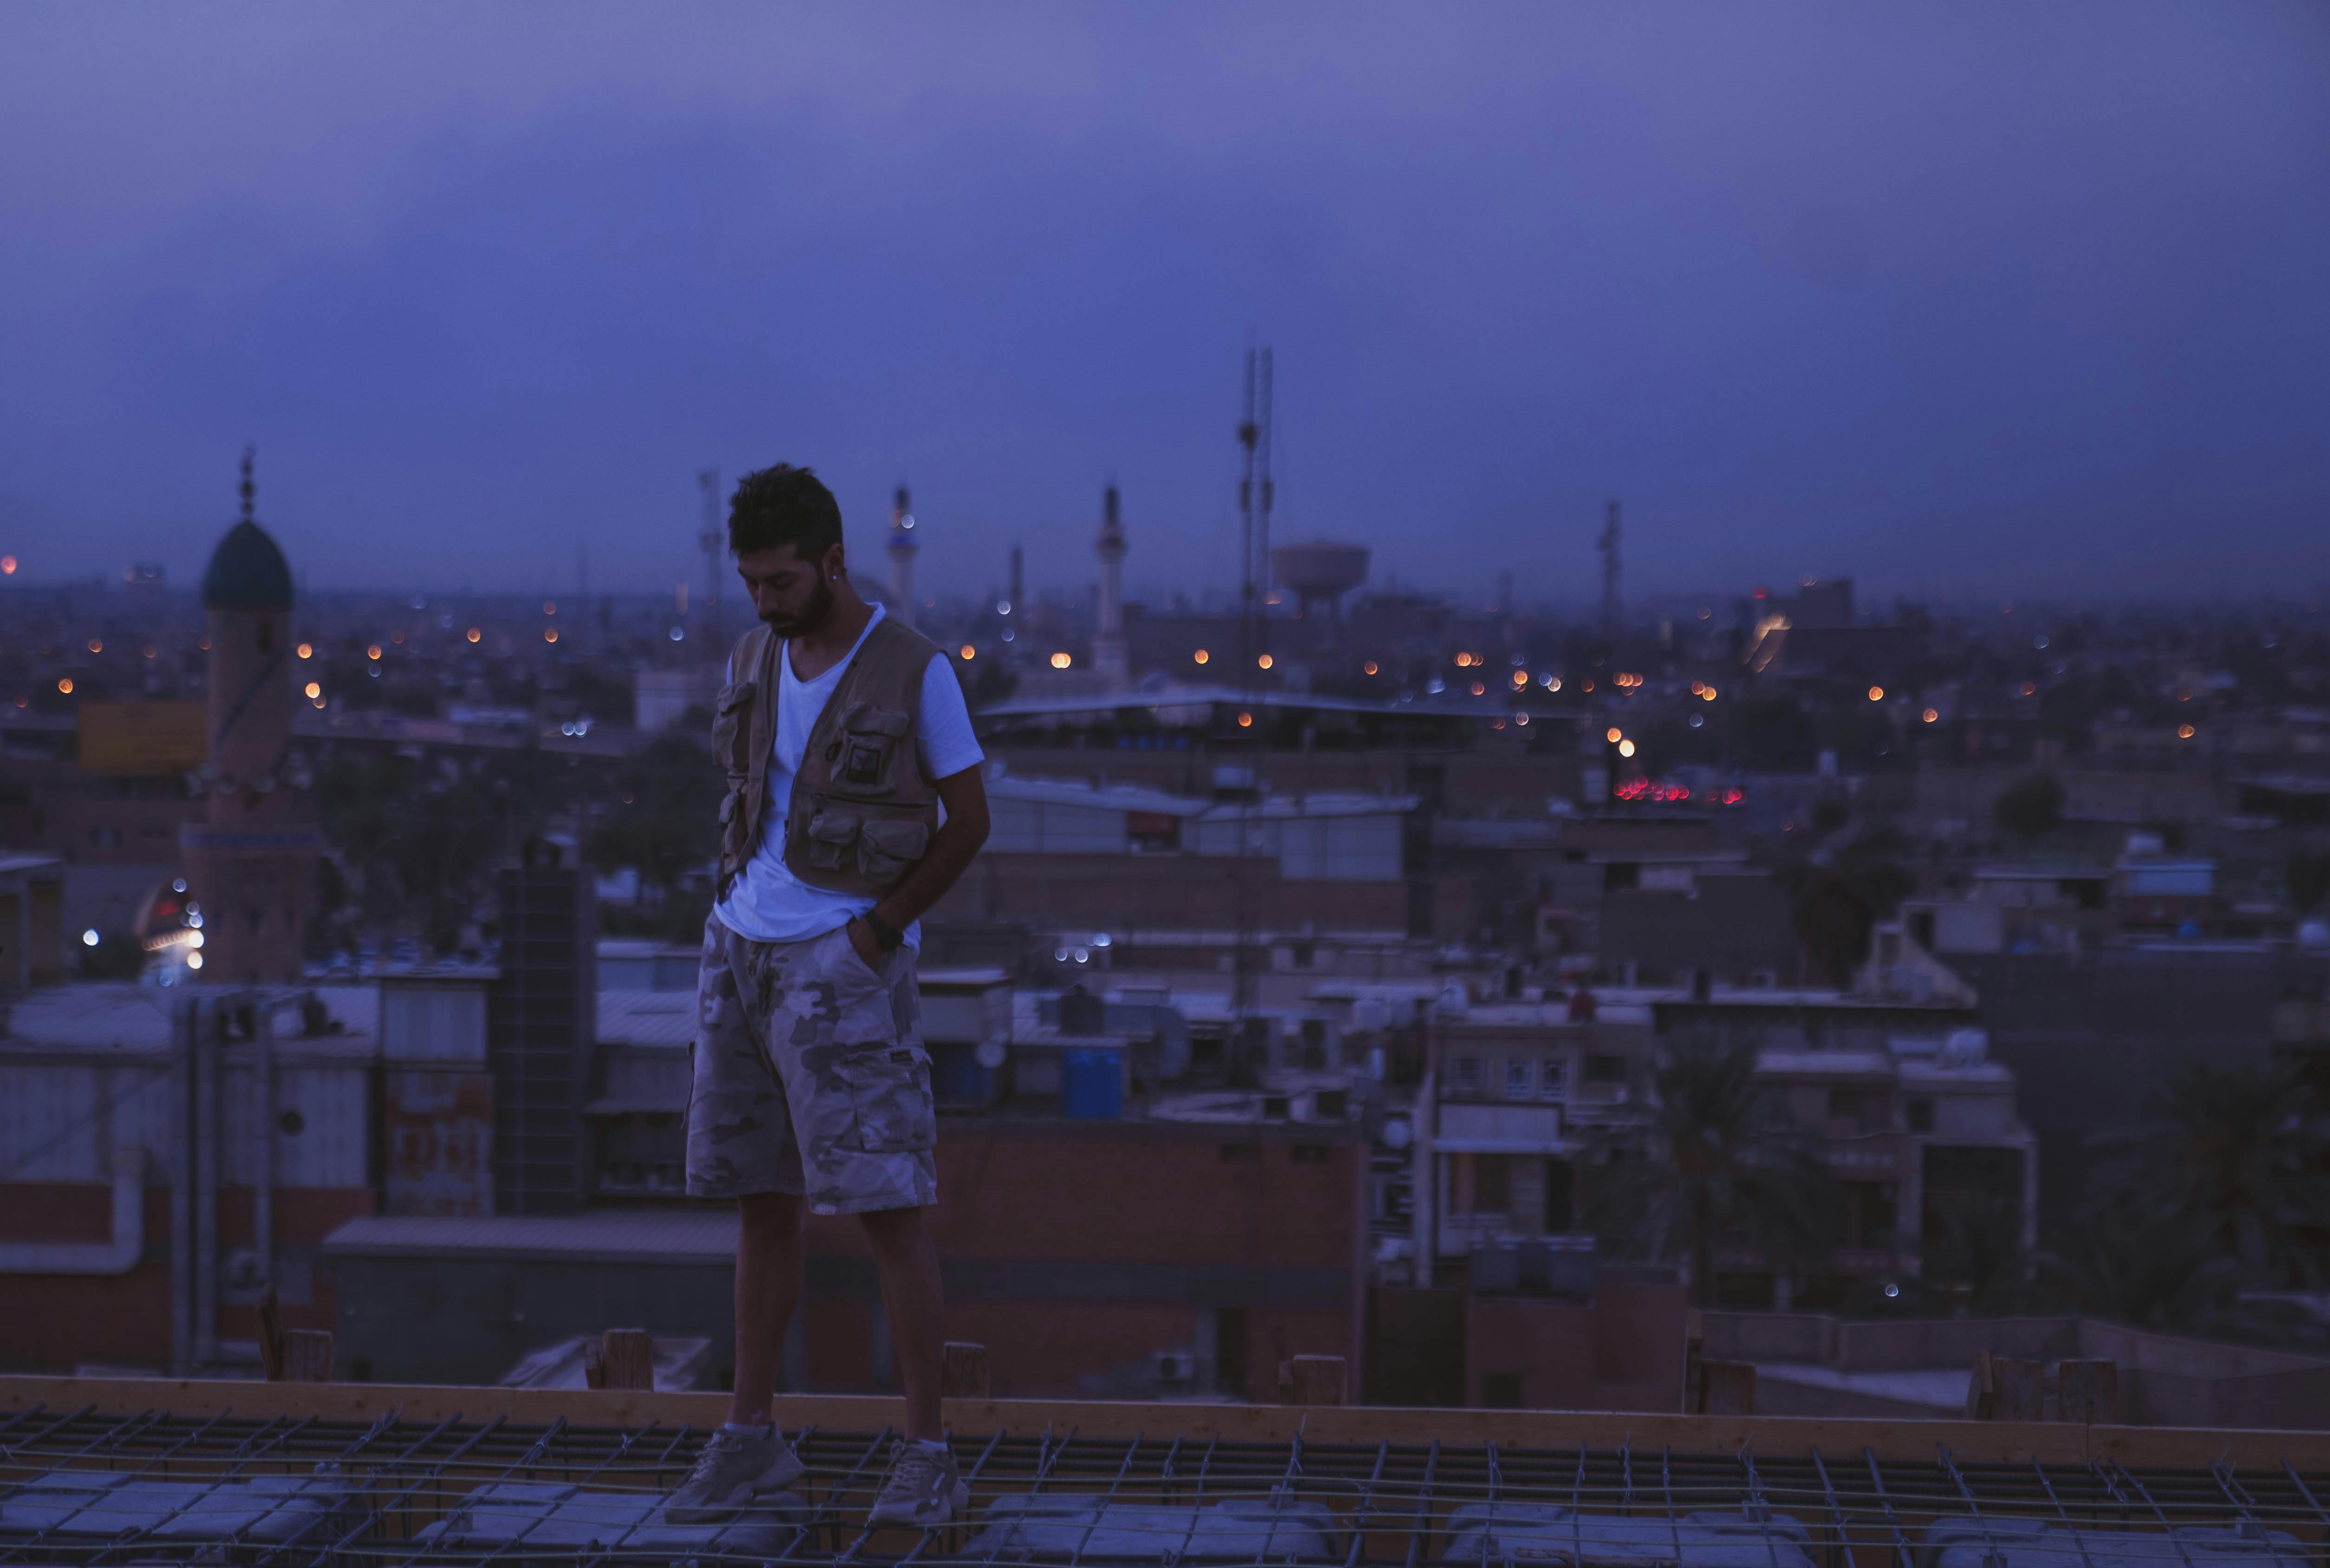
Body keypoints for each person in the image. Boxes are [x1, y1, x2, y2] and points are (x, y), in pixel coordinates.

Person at [666, 464, 990, 1529]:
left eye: (783, 579)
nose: (764, 599)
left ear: (835, 561)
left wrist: (874, 935)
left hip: (840, 967)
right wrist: (732, 916)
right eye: (752, 582)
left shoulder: (912, 669)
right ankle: (750, 1437)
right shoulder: (754, 653)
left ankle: (929, 1453)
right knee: (762, 1204)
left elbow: (969, 820)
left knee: (889, 1211)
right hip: (741, 955)